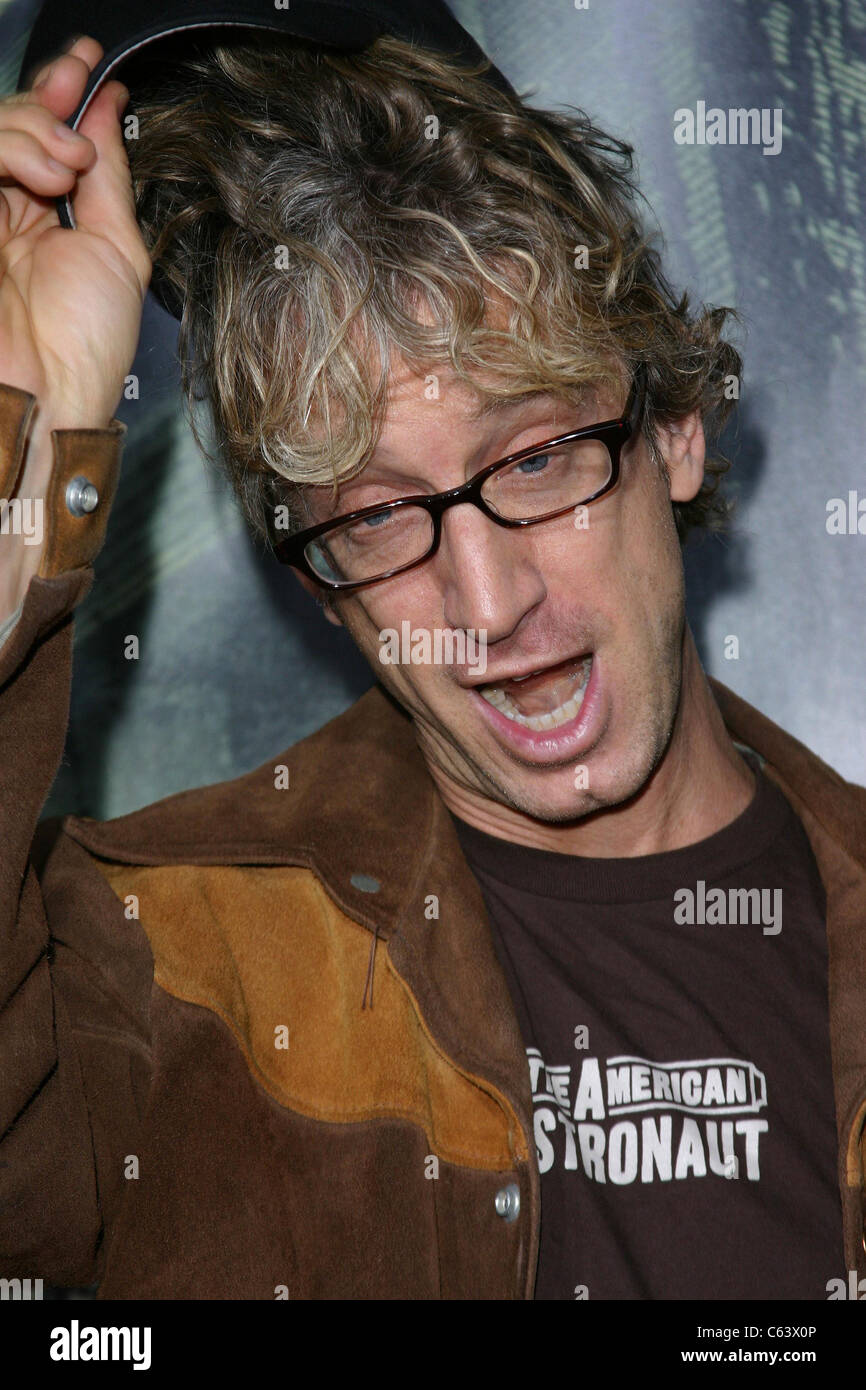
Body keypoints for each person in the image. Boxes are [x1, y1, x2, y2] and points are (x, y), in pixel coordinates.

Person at [1, 20, 864, 1303]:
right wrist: (20, 478)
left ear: (673, 426)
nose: (484, 601)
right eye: (376, 516)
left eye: (531, 458)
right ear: (316, 583)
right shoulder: (143, 960)